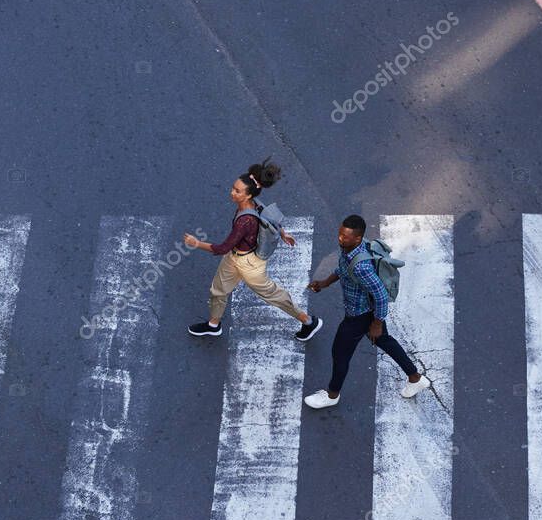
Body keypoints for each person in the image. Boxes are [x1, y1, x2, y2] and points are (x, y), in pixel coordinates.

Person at [182, 159, 322, 341]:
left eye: (237, 191)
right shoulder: (255, 202)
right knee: (218, 290)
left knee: (272, 295)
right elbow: (270, 217)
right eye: (233, 187)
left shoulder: (244, 221)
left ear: (248, 196)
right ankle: (213, 325)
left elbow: (222, 248)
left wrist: (196, 243)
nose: (232, 193)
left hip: (250, 264)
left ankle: (308, 321)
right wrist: (282, 233)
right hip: (235, 258)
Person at [303, 214, 430, 409]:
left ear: (358, 238)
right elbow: (343, 269)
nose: (340, 239)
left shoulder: (362, 266)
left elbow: (380, 294)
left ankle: (332, 394)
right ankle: (415, 378)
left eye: (345, 237)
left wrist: (376, 323)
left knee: (340, 353)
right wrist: (324, 283)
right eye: (340, 234)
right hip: (367, 312)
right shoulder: (351, 249)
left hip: (359, 316)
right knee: (385, 342)